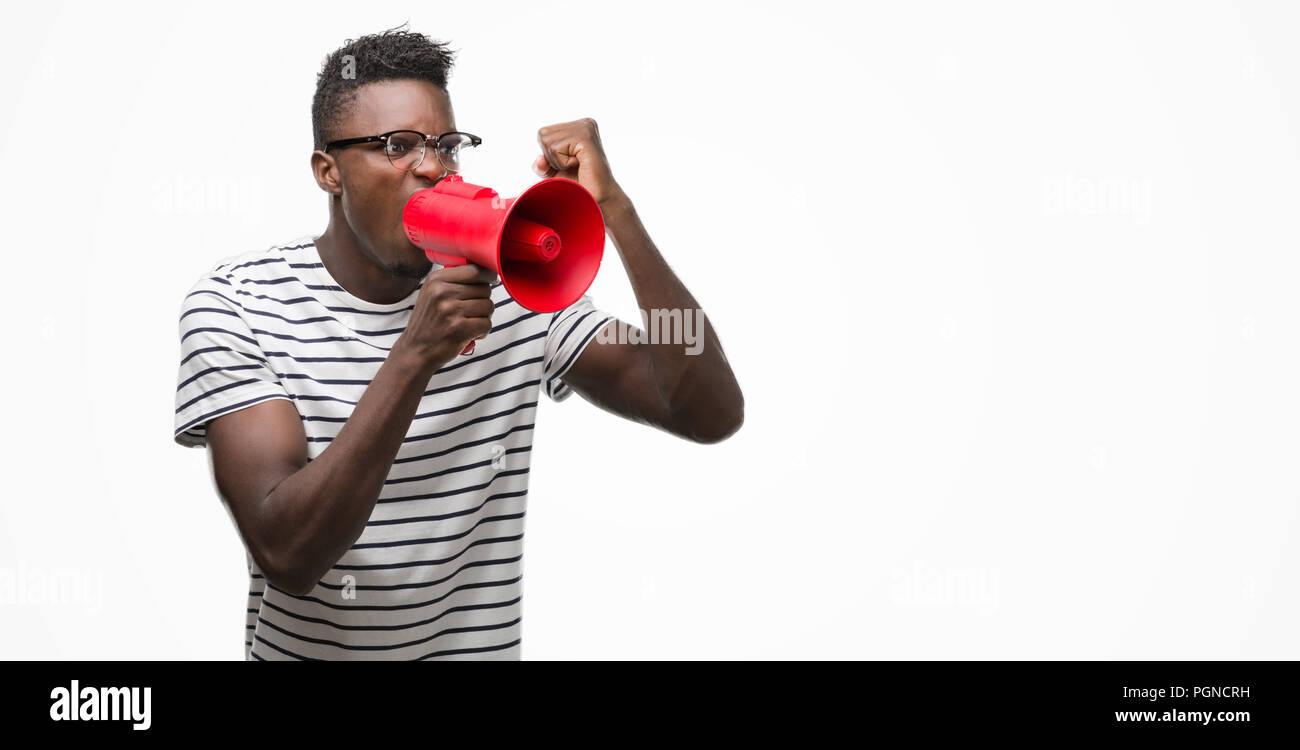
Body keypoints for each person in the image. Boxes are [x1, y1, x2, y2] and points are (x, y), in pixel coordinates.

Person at [172, 26, 743, 660]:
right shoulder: (239, 302)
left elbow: (708, 412)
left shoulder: (511, 291)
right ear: (328, 171)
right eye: (398, 146)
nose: (432, 166)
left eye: (446, 145)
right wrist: (415, 356)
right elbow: (287, 553)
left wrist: (616, 212)